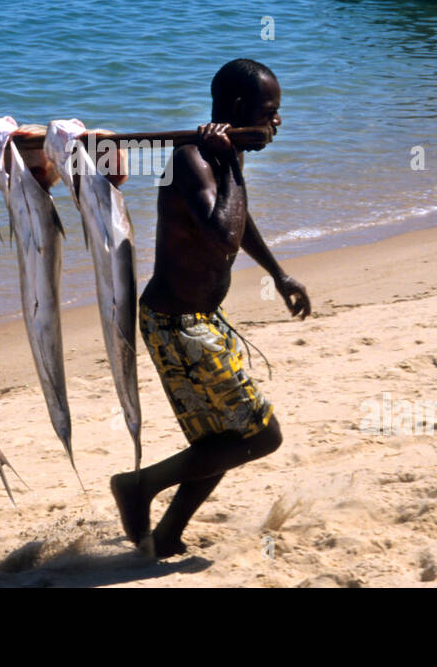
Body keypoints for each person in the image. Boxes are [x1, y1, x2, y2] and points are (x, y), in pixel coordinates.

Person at [111, 58, 311, 557]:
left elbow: (238, 220)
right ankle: (138, 486)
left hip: (199, 319)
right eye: (271, 111)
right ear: (241, 109)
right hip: (177, 325)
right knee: (262, 437)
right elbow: (222, 235)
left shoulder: (220, 160)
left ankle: (169, 533)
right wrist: (226, 163)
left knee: (221, 437)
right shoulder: (190, 160)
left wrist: (278, 273)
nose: (277, 121)